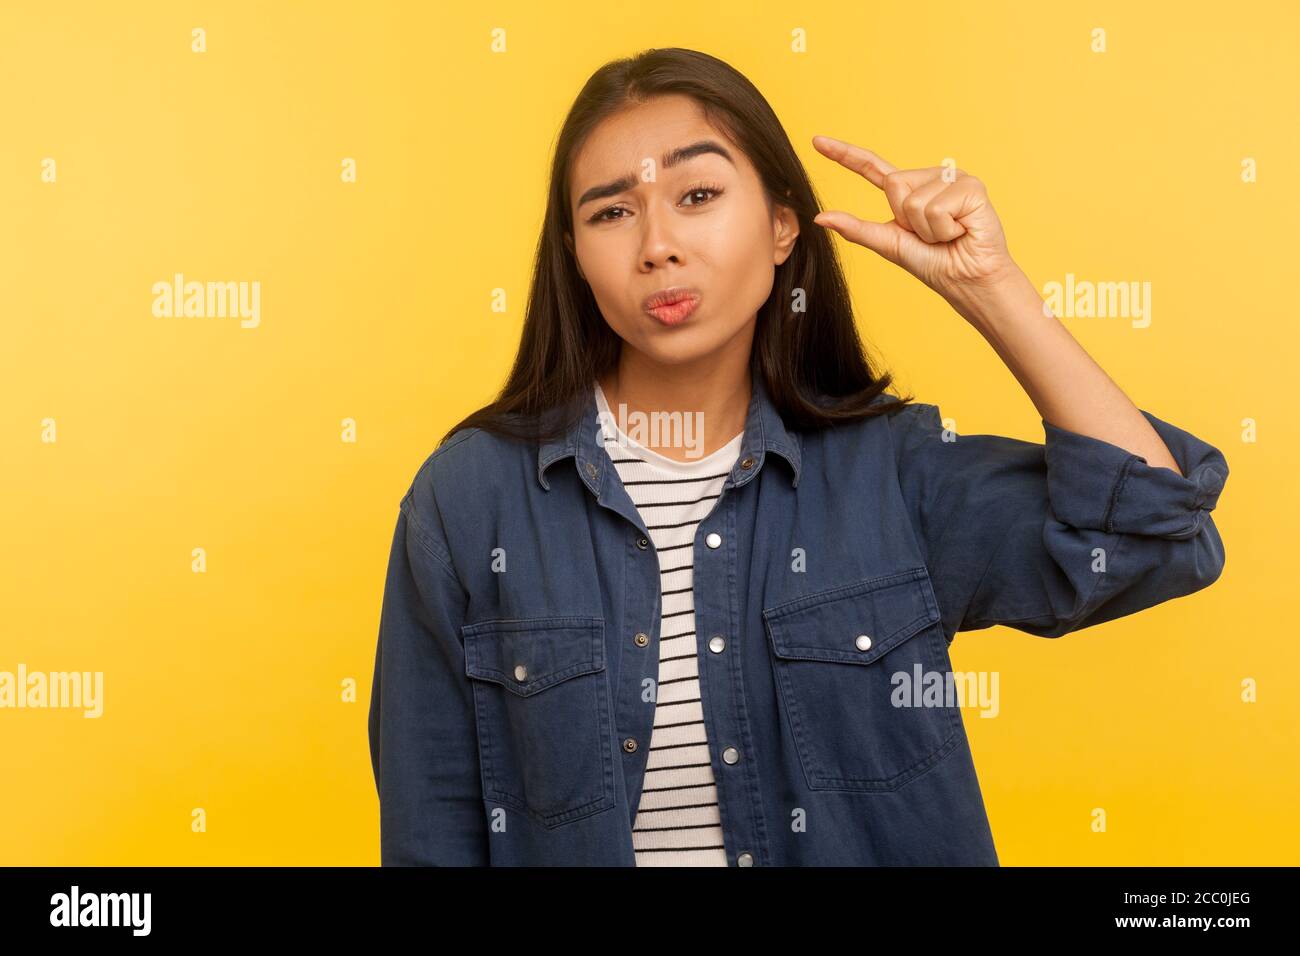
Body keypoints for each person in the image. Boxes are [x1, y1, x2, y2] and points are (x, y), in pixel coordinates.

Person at [366, 47, 1228, 866]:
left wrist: (991, 287)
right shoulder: (468, 501)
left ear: (784, 227)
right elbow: (430, 825)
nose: (656, 243)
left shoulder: (891, 473)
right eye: (611, 211)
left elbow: (1156, 537)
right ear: (575, 257)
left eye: (698, 194)